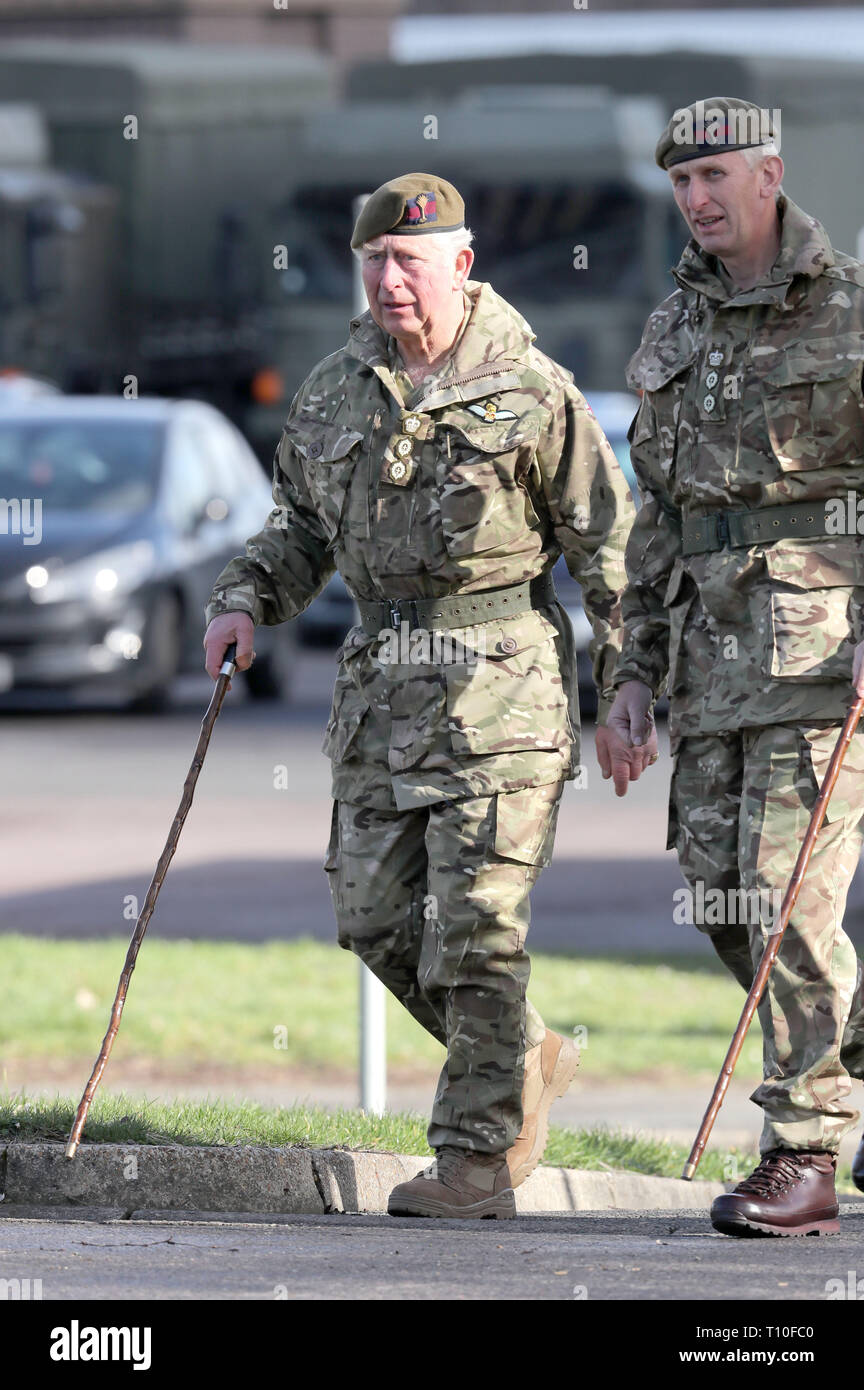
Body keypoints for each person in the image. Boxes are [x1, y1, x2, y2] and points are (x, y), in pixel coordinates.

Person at [204, 172, 640, 1219]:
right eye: (374, 262)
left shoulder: (534, 391)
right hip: (378, 694)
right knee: (373, 916)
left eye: (409, 260)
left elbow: (612, 546)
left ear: (462, 263)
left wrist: (628, 680)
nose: (389, 281)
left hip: (503, 695)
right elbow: (299, 530)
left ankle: (475, 1160)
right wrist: (244, 598)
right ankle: (522, 1056)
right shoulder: (333, 389)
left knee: (479, 925)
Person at [608, 98, 864, 1237]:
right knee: (723, 899)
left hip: (822, 650)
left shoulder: (851, 309)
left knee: (783, 894)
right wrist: (627, 673)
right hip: (709, 660)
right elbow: (655, 520)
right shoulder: (672, 331)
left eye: (715, 175)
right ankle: (849, 1068)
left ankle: (805, 1149)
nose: (698, 199)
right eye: (680, 183)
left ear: (769, 173)